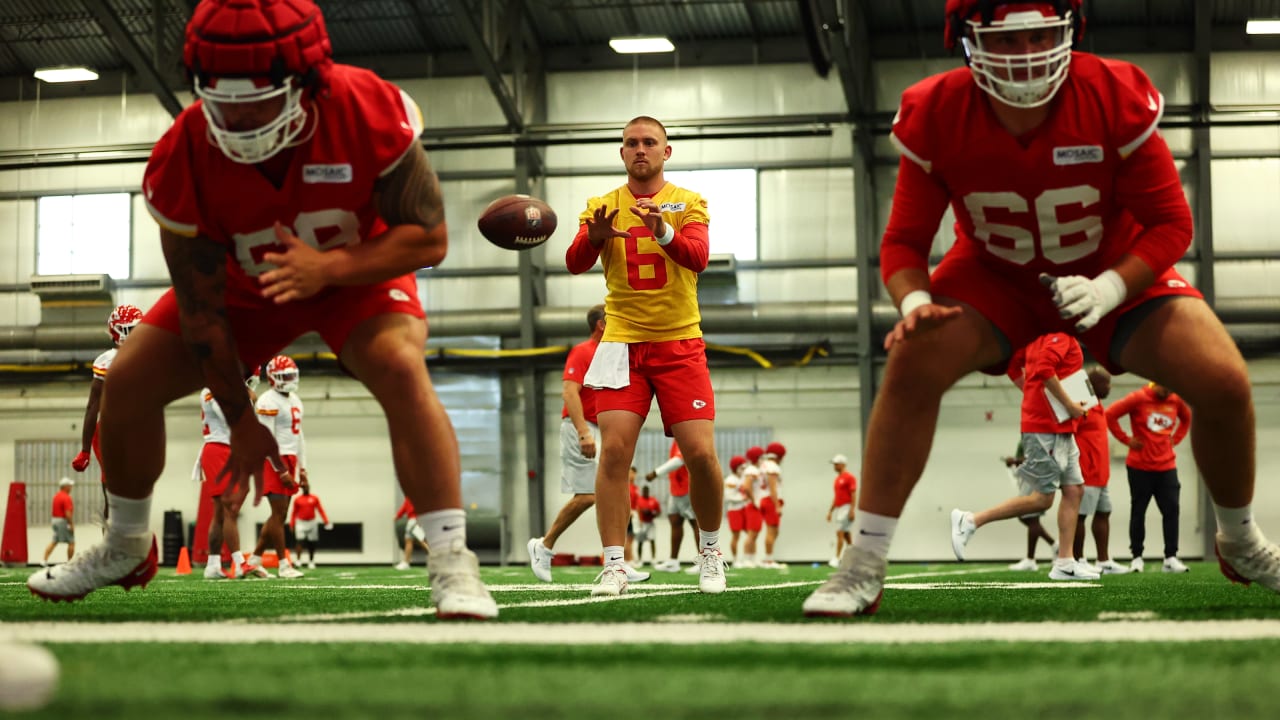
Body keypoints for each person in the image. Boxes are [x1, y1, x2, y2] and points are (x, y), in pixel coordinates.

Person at [804, 0, 1280, 617]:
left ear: (1069, 31)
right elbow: (902, 243)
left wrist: (1112, 286)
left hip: (1109, 267)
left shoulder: (1111, 92)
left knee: (1222, 378)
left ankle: (1240, 540)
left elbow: (1171, 222)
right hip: (995, 276)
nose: (1026, 56)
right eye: (1006, 41)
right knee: (912, 361)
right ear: (968, 40)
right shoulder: (938, 110)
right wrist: (914, 301)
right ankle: (863, 561)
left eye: (1040, 37)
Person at [28, 0, 496, 619]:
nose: (240, 119)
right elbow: (201, 313)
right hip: (243, 290)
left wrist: (329, 268)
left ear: (308, 81)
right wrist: (241, 421)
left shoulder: (365, 106)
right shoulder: (183, 152)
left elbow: (428, 239)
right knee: (130, 379)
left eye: (258, 99)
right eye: (222, 102)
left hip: (354, 270)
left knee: (400, 365)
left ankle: (451, 560)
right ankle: (125, 544)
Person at [567, 115, 726, 597]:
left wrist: (662, 231)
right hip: (620, 343)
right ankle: (615, 564)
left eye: (649, 142)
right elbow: (574, 263)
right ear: (622, 153)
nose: (640, 149)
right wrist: (594, 236)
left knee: (700, 454)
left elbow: (698, 257)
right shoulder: (601, 205)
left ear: (666, 151)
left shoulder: (689, 201)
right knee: (614, 453)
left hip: (680, 342)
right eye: (632, 143)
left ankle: (711, 551)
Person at [950, 334, 1095, 580]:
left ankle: (1065, 562)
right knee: (1042, 499)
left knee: (1074, 490)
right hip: (1045, 428)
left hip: (1061, 427)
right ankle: (971, 520)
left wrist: (1030, 392)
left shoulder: (1036, 336)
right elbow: (1045, 369)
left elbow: (1013, 365)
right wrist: (1068, 405)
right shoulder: (1057, 334)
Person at [527, 305, 648, 584]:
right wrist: (583, 432)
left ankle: (616, 561)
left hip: (602, 427)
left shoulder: (613, 353)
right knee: (588, 494)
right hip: (580, 427)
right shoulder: (583, 352)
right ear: (601, 325)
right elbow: (569, 392)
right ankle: (543, 546)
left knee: (617, 488)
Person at [1106, 381, 1193, 573]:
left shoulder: (1175, 400)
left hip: (1167, 466)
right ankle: (1137, 557)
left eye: (1171, 389)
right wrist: (1126, 440)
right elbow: (1110, 414)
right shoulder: (1138, 398)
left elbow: (1187, 419)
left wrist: (1175, 440)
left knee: (1171, 511)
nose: (1168, 392)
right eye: (1165, 388)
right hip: (1140, 467)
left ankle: (1170, 557)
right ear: (1156, 381)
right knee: (1139, 511)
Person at [71, 304, 143, 522]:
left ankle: (129, 548)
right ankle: (111, 549)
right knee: (113, 496)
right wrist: (84, 450)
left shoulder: (147, 353)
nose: (138, 334)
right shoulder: (107, 361)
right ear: (118, 332)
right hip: (111, 431)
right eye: (132, 329)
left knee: (136, 495)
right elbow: (94, 405)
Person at [241, 356, 306, 579]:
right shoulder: (268, 400)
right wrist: (281, 470)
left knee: (280, 515)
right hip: (273, 459)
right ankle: (283, 565)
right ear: (273, 378)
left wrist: (303, 469)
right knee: (278, 514)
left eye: (291, 375)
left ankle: (255, 559)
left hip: (290, 459)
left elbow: (300, 437)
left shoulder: (295, 399)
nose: (289, 380)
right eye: (284, 376)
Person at [1003, 347, 1058, 572]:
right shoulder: (1031, 413)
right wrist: (1016, 459)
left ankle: (1032, 559)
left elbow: (1039, 447)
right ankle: (1053, 546)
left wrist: (1018, 461)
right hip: (1029, 464)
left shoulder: (1044, 408)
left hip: (1034, 467)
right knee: (1028, 514)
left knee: (1029, 513)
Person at [197, 374, 257, 580]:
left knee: (220, 513)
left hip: (230, 450)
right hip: (218, 450)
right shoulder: (212, 389)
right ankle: (239, 563)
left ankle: (213, 564)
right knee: (230, 507)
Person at [1074, 366, 1129, 574]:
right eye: (1105, 383)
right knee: (1080, 516)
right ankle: (1078, 560)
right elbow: (1068, 434)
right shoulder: (1082, 405)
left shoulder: (1098, 407)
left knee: (1104, 512)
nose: (1109, 387)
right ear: (1093, 385)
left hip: (1101, 472)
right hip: (1085, 472)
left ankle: (1103, 561)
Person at [644, 441, 700, 573]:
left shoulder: (685, 437)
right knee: (675, 521)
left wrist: (656, 472)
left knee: (695, 523)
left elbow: (679, 461)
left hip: (687, 488)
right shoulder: (676, 440)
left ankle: (704, 560)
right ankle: (673, 561)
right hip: (675, 489)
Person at [290, 476, 331, 570]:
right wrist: (292, 524)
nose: (306, 488)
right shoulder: (297, 499)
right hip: (300, 522)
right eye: (304, 487)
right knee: (299, 541)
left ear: (309, 487)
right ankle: (298, 561)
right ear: (302, 489)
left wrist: (326, 521)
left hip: (312, 522)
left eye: (307, 487)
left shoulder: (314, 498)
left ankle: (311, 561)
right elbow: (294, 513)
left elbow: (320, 510)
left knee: (312, 543)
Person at [757, 442, 787, 568]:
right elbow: (773, 487)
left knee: (774, 530)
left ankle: (768, 558)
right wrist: (777, 505)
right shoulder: (772, 466)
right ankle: (768, 560)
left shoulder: (763, 465)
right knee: (771, 530)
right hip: (770, 500)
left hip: (764, 499)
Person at [736, 445, 765, 568]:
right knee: (751, 533)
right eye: (761, 457)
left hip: (755, 504)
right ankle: (746, 558)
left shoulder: (754, 470)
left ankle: (752, 557)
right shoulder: (751, 470)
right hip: (752, 505)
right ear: (757, 458)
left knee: (755, 532)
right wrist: (754, 501)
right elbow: (747, 487)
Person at [827, 454, 857, 568]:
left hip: (847, 507)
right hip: (839, 508)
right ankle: (855, 558)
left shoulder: (849, 477)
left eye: (836, 464)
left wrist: (852, 510)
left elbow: (853, 493)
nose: (834, 466)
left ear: (842, 464)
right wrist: (830, 511)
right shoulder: (837, 479)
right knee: (846, 534)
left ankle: (837, 558)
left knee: (839, 532)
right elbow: (836, 497)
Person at [42, 478, 76, 566]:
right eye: (70, 486)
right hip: (63, 521)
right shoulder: (66, 497)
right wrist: (71, 524)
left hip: (55, 521)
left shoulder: (56, 496)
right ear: (65, 487)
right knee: (71, 542)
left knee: (54, 541)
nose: (71, 488)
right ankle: (70, 563)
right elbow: (68, 513)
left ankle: (44, 560)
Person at [723, 455, 749, 566]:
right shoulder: (730, 480)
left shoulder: (743, 479)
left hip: (744, 509)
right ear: (735, 468)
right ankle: (735, 559)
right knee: (736, 536)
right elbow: (728, 497)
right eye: (741, 468)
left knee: (751, 534)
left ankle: (748, 558)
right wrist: (742, 498)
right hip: (734, 510)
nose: (743, 471)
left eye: (744, 468)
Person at [393, 497, 429, 570]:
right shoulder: (413, 495)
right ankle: (406, 562)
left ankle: (436, 557)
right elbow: (405, 507)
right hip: (415, 520)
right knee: (411, 540)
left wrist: (397, 516)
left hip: (414, 520)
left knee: (418, 541)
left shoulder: (413, 496)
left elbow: (405, 507)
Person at [633, 484, 661, 566]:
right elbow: (636, 511)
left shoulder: (653, 500)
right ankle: (640, 560)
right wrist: (641, 515)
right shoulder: (639, 500)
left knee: (652, 540)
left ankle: (653, 559)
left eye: (647, 491)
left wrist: (652, 513)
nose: (645, 492)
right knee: (640, 542)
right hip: (642, 523)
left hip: (650, 522)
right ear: (642, 492)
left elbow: (659, 512)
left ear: (648, 492)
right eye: (644, 491)